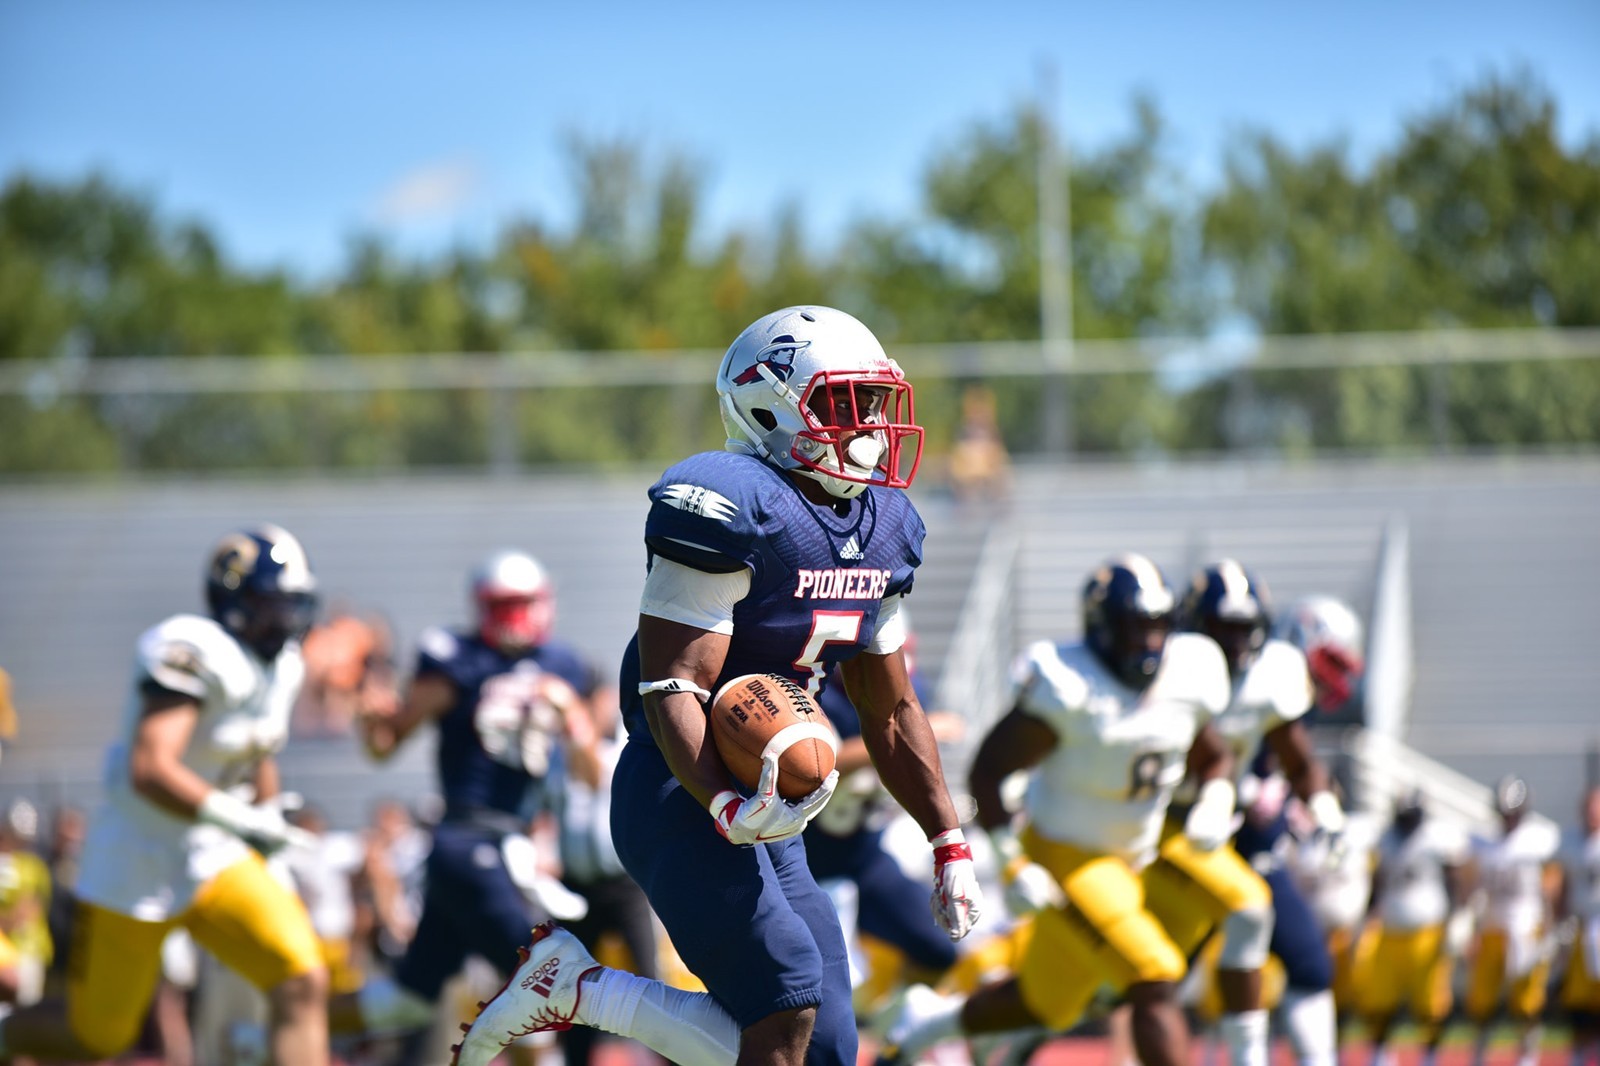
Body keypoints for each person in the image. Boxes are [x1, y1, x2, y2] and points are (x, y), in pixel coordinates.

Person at [453, 305, 984, 1066]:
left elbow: (892, 708)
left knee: (830, 1045)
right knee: (786, 995)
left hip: (773, 810)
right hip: (678, 787)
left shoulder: (885, 527)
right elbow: (673, 683)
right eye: (847, 402)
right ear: (770, 406)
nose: (871, 423)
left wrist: (947, 840)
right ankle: (580, 991)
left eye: (874, 401)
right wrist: (724, 804)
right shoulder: (731, 503)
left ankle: (573, 985)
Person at [875, 553, 1234, 1066]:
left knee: (1050, 1004)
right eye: (1135, 627)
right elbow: (988, 772)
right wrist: (1013, 863)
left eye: (1157, 626)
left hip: (1138, 855)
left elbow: (1213, 754)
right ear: (1103, 627)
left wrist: (1217, 795)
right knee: (1154, 976)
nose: (1149, 641)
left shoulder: (1188, 675)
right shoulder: (1069, 683)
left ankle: (927, 1024)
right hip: (1067, 856)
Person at [0, 524, 329, 1065]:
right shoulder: (194, 648)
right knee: (98, 1038)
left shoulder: (283, 665)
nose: (286, 620)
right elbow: (150, 767)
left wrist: (267, 822)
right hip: (138, 863)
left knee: (301, 979)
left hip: (216, 860)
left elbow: (256, 746)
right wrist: (243, 821)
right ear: (235, 601)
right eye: (272, 606)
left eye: (293, 606)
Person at [344, 549, 602, 1043]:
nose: (513, 617)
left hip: (507, 845)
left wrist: (571, 713)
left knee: (407, 1001)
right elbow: (384, 744)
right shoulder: (458, 661)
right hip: (467, 840)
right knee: (549, 979)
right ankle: (297, 1020)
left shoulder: (561, 665)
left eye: (521, 603)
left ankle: (284, 1026)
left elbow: (590, 777)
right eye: (502, 605)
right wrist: (368, 715)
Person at [1145, 560, 1347, 1066]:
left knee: (1305, 959)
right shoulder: (1163, 670)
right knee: (1140, 976)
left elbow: (1299, 759)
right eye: (1222, 628)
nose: (1235, 643)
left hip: (1240, 840)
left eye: (1244, 629)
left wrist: (1323, 806)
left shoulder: (1271, 675)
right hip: (1164, 829)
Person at [801, 631, 964, 1024]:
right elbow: (821, 760)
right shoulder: (817, 691)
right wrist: (911, 731)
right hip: (806, 866)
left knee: (938, 949)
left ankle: (897, 1027)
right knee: (818, 990)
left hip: (864, 857)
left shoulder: (908, 689)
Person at [1359, 789, 1472, 1066]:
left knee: (1430, 1004)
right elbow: (1377, 883)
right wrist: (1367, 918)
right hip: (1390, 932)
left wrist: (1458, 918)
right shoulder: (1386, 839)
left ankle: (1430, 1056)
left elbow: (1455, 880)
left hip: (1427, 932)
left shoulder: (1436, 839)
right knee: (1379, 1001)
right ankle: (1380, 1055)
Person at [1463, 775, 1562, 1066]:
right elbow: (1473, 889)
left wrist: (1550, 927)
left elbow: (1552, 886)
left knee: (1526, 1001)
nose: (1508, 820)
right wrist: (1470, 927)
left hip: (1526, 927)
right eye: (1504, 813)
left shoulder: (1539, 840)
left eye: (1513, 814)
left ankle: (1528, 1056)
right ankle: (1480, 1053)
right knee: (1482, 1001)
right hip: (1492, 927)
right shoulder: (1483, 843)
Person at [1558, 785, 1600, 1066]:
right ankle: (1580, 1057)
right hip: (1581, 928)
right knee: (1577, 1001)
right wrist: (1559, 921)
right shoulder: (1570, 841)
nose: (1592, 815)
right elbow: (1562, 884)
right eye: (1589, 809)